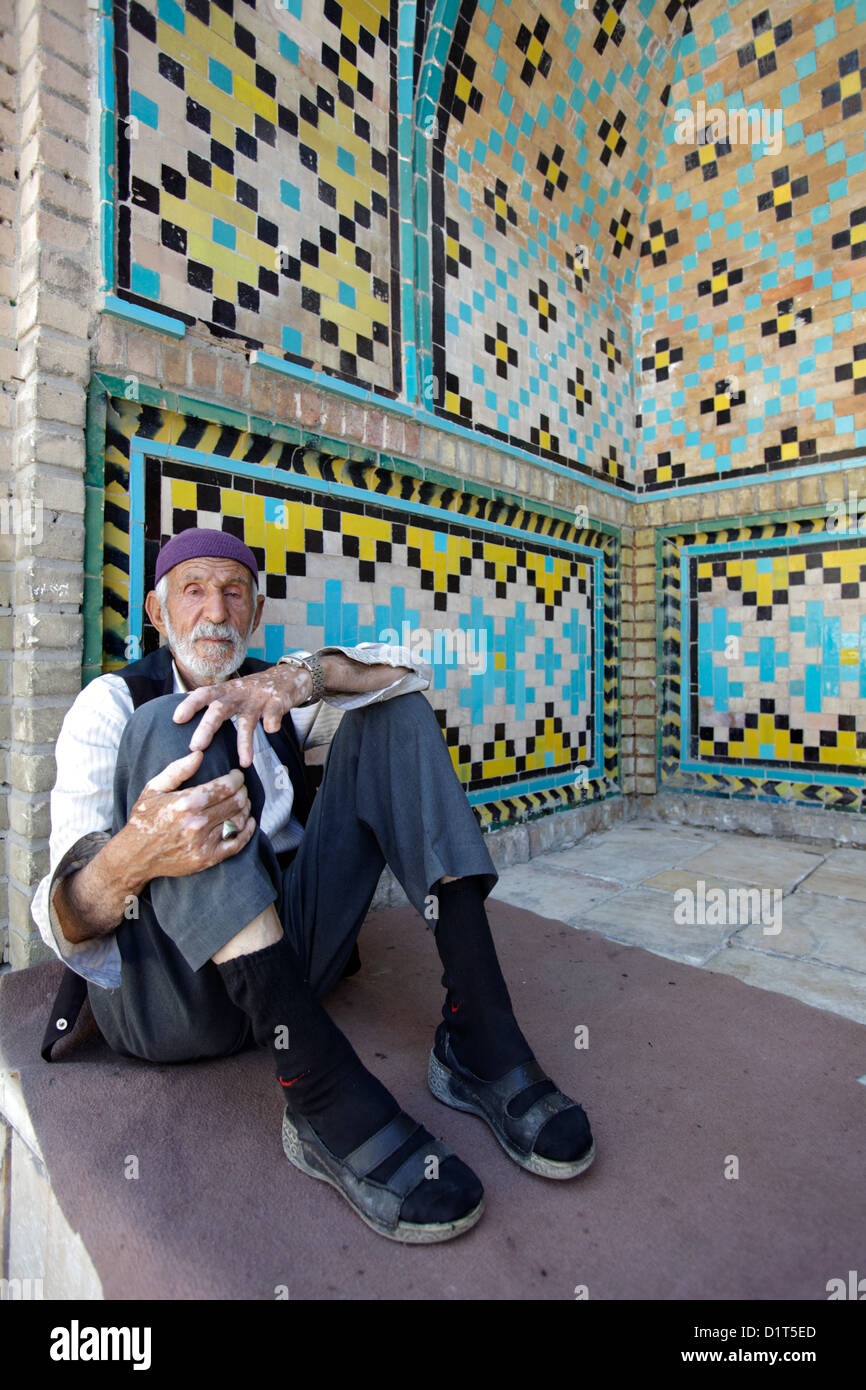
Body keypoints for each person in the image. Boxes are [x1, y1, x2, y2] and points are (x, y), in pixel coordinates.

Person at [32, 528, 594, 1244]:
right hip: (172, 1000)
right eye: (194, 590)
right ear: (156, 610)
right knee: (167, 727)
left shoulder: (271, 694)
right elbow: (65, 919)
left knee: (391, 708)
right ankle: (320, 1091)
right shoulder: (109, 706)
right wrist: (134, 856)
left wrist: (306, 676)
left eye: (234, 592)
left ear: (257, 611)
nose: (215, 611)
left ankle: (478, 1030)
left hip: (294, 961)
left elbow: (410, 673)